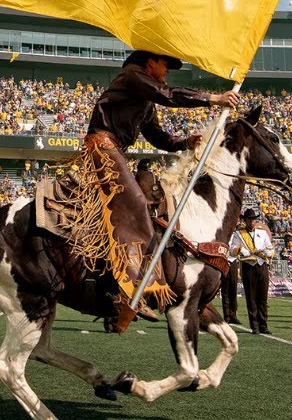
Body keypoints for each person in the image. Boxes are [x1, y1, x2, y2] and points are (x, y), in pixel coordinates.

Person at [82, 49, 239, 330]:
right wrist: (212, 98)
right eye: (165, 64)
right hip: (102, 146)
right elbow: (167, 94)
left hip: (113, 149)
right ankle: (126, 289)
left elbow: (156, 136)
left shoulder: (144, 98)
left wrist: (184, 142)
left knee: (142, 202)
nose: (166, 71)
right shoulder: (133, 76)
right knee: (136, 206)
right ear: (150, 62)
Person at [228, 208, 274, 334]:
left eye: (253, 219)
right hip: (248, 266)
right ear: (245, 221)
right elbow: (232, 250)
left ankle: (263, 325)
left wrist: (269, 252)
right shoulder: (239, 234)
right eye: (249, 220)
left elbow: (270, 248)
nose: (252, 222)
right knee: (251, 297)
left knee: (263, 297)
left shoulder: (262, 233)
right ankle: (254, 326)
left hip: (261, 265)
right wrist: (240, 249)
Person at [220, 241, 241, 325]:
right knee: (225, 290)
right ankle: (227, 316)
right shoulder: (224, 235)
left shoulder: (235, 237)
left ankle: (233, 315)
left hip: (233, 261)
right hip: (224, 261)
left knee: (233, 290)